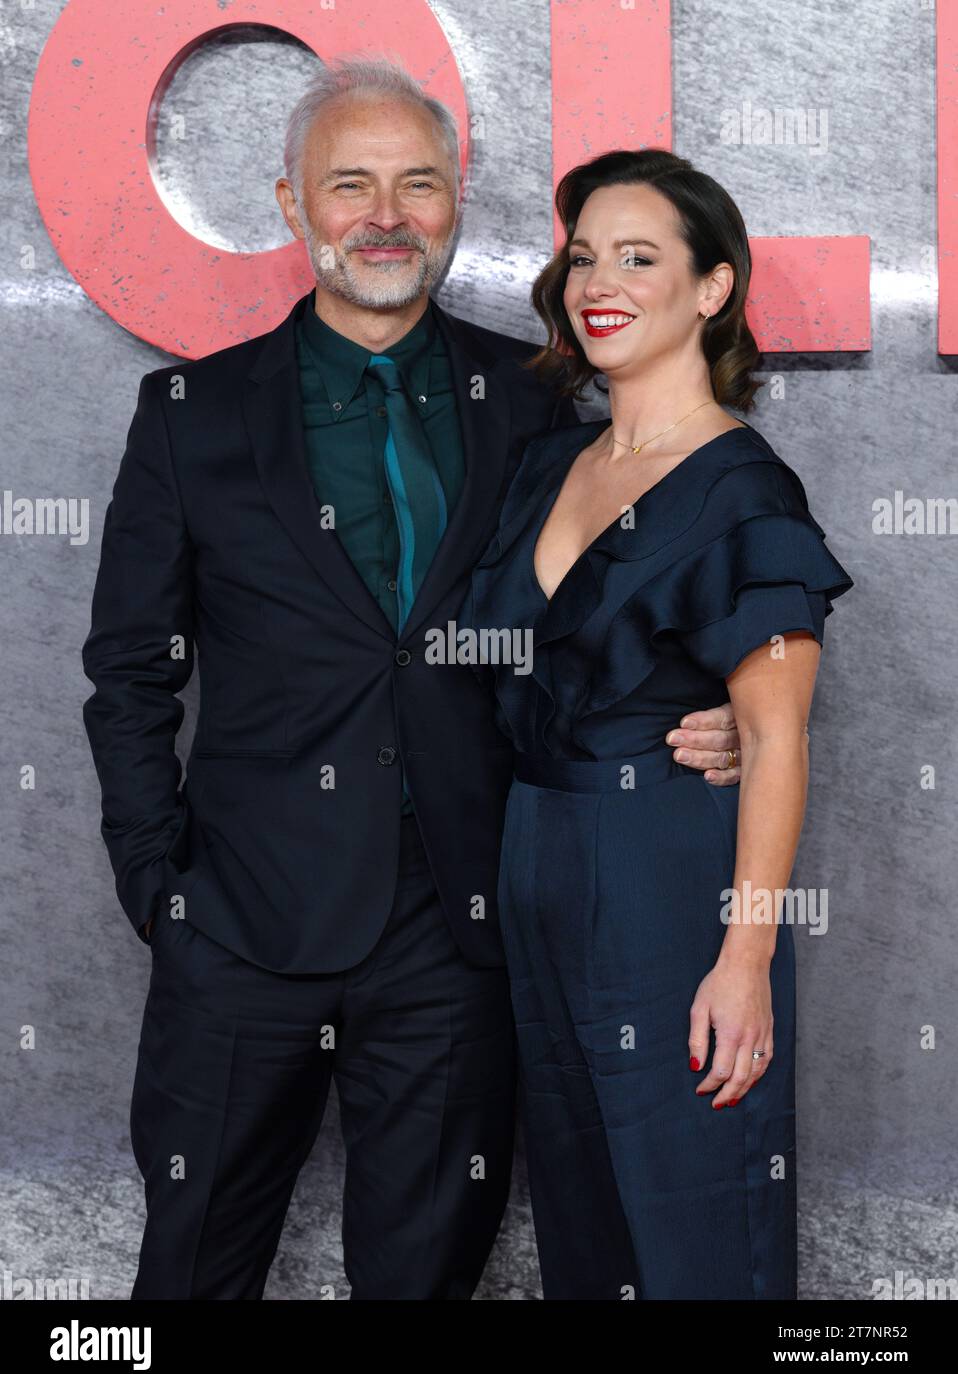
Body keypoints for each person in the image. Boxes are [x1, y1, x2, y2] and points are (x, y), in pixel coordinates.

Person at [81, 59, 747, 1300]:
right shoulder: (189, 413)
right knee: (188, 1278)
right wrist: (159, 887)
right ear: (293, 204)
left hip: (461, 928)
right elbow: (128, 669)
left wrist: (720, 718)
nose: (386, 215)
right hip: (239, 924)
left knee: (426, 1280)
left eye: (418, 183)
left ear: (455, 201)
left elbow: (599, 631)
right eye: (351, 184)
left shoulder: (541, 403)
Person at [459, 148, 854, 1299]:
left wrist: (745, 958)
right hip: (534, 858)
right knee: (583, 1221)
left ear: (712, 287)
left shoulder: (743, 489)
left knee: (696, 1217)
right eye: (585, 256)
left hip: (664, 879)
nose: (600, 282)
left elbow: (774, 738)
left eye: (639, 257)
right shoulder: (547, 460)